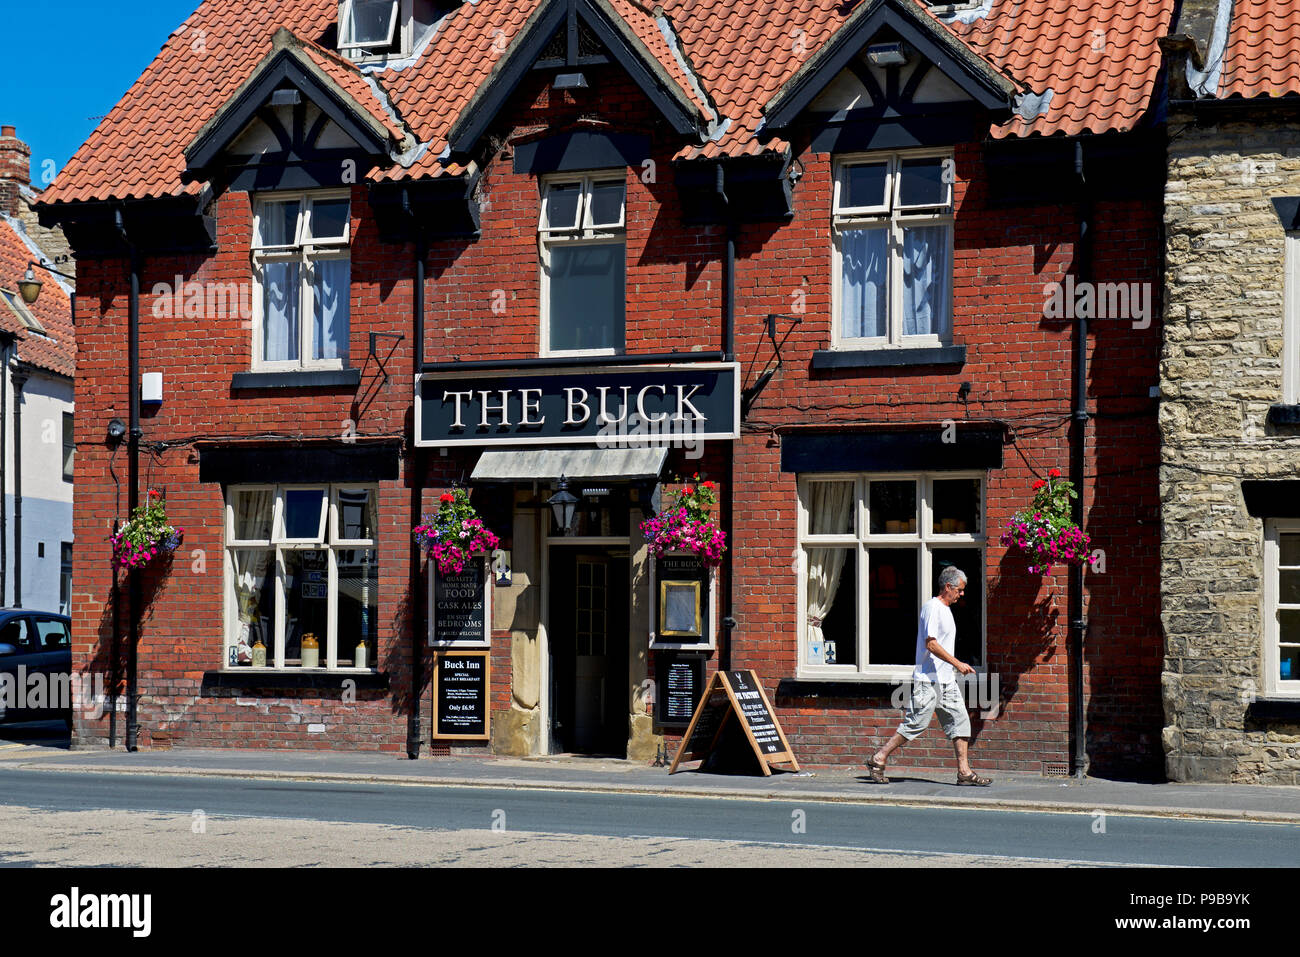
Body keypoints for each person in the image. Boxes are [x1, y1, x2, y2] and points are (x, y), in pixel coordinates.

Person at [866, 565, 992, 786]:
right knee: (915, 724)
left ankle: (964, 772)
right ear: (948, 587)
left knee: (960, 722)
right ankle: (878, 758)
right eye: (960, 590)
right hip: (928, 681)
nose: (961, 594)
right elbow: (931, 644)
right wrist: (957, 663)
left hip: (946, 681)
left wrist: (952, 669)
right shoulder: (932, 608)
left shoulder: (947, 610)